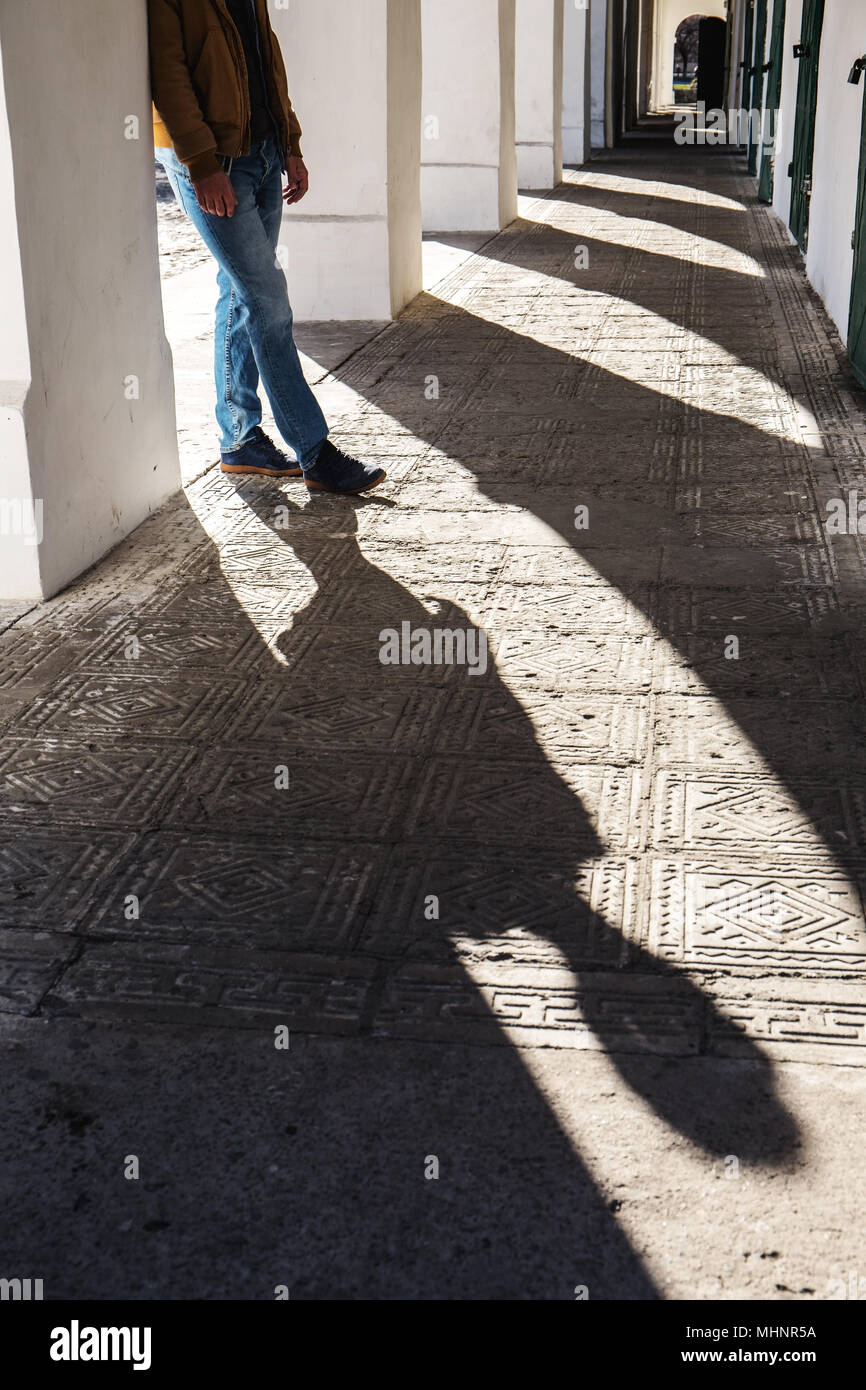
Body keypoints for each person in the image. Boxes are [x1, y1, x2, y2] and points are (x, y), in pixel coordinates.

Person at [147, 0, 386, 494]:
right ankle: (315, 451)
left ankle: (239, 439)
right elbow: (167, 76)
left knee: (240, 293)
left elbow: (268, 64)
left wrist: (290, 144)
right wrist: (202, 164)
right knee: (268, 300)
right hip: (214, 162)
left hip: (262, 152)